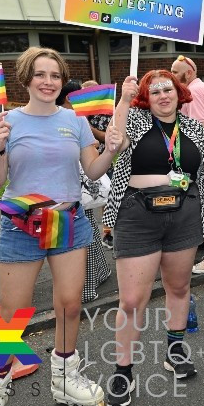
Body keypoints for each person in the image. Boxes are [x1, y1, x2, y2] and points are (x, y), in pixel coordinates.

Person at [0, 47, 119, 406]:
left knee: (70, 304)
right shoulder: (7, 122)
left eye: (55, 76)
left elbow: (92, 170)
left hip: (69, 223)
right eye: (40, 75)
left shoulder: (74, 120)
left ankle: (65, 379)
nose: (48, 82)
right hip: (21, 227)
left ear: (62, 81)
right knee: (13, 316)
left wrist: (112, 148)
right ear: (27, 78)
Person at [103, 70, 204, 406]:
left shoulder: (195, 129)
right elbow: (115, 141)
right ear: (146, 97)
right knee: (131, 301)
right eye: (154, 91)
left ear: (179, 92)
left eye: (167, 89)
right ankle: (123, 371)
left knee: (179, 287)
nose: (163, 96)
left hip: (184, 215)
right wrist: (124, 101)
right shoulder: (136, 121)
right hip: (138, 216)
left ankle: (174, 349)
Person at [56, 81, 112, 303]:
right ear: (70, 97)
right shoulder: (69, 118)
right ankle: (97, 275)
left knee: (83, 236)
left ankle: (88, 286)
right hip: (72, 187)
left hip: (78, 187)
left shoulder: (76, 119)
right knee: (87, 233)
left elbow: (93, 153)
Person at [170, 55, 204, 274]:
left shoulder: (193, 92)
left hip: (199, 158)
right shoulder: (200, 88)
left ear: (189, 73)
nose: (172, 75)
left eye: (175, 71)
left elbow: (198, 126)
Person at [82, 79, 115, 250]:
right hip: (81, 166)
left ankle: (107, 234)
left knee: (107, 199)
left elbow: (106, 138)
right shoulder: (78, 113)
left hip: (103, 163)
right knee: (84, 200)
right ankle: (87, 236)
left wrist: (90, 130)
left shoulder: (106, 113)